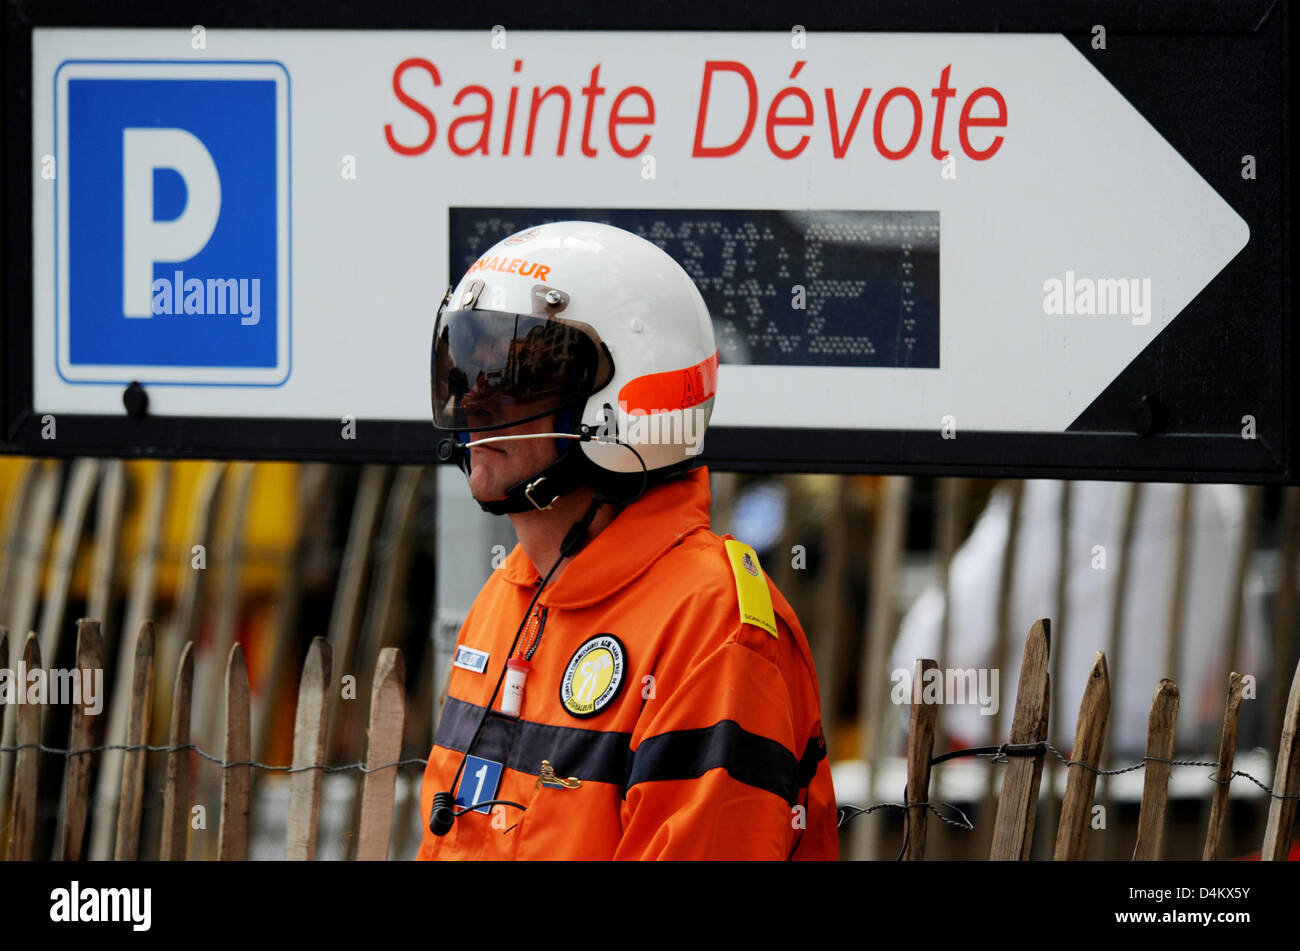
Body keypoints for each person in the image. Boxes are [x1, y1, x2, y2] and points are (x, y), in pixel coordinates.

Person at [417, 220, 837, 859]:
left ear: (629, 402)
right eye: (466, 363)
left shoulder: (713, 625)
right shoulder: (508, 596)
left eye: (516, 373)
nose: (476, 402)